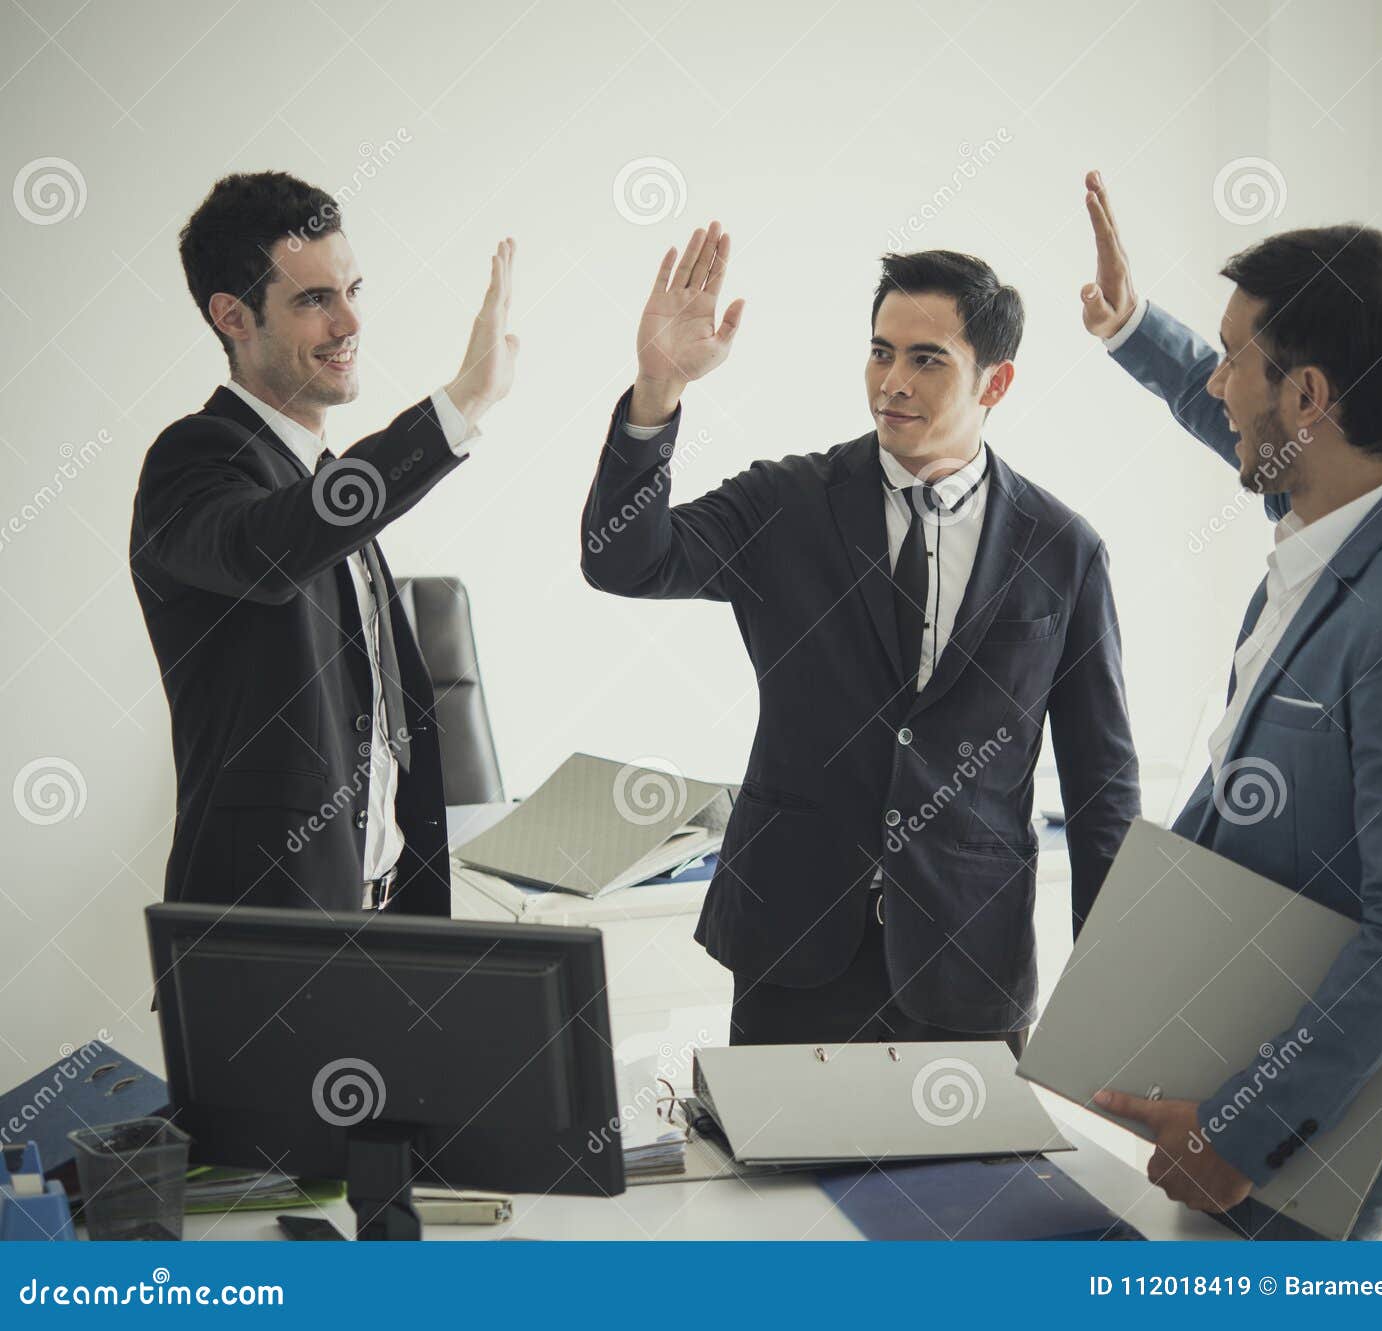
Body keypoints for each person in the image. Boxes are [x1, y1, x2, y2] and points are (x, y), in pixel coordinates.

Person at [581, 221, 1140, 1049]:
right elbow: (625, 560)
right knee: (775, 1175)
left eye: (926, 359)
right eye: (880, 352)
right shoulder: (786, 502)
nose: (893, 381)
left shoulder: (1062, 548)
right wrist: (656, 390)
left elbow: (1102, 789)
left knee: (969, 1183)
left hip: (968, 959)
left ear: (997, 382)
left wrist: (1109, 993)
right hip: (795, 947)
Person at [1078, 171, 1382, 1239]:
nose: (1217, 383)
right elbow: (1230, 419)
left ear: (1310, 397)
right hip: (1242, 1032)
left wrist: (1240, 1132)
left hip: (1311, 1130)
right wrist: (1133, 325)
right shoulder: (1360, 478)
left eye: (1234, 357)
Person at [131, 171, 517, 916]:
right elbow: (270, 550)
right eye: (313, 299)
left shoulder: (327, 479)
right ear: (234, 316)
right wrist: (460, 404)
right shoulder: (195, 462)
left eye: (353, 290)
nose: (349, 323)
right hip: (261, 943)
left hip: (380, 923)